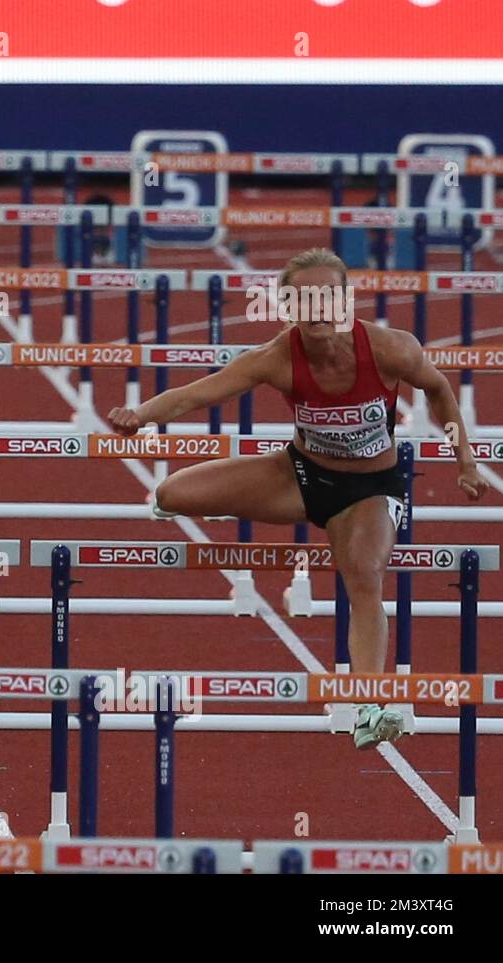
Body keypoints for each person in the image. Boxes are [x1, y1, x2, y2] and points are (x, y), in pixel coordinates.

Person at [108, 248, 487, 750]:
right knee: (171, 494)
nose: (316, 309)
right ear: (288, 307)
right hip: (300, 474)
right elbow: (205, 392)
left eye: (326, 296)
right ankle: (224, 503)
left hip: (369, 491)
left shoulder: (392, 349)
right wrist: (141, 413)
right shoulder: (277, 357)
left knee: (364, 574)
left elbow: (439, 391)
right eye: (303, 299)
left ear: (345, 301)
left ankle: (369, 707)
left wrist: (464, 461)